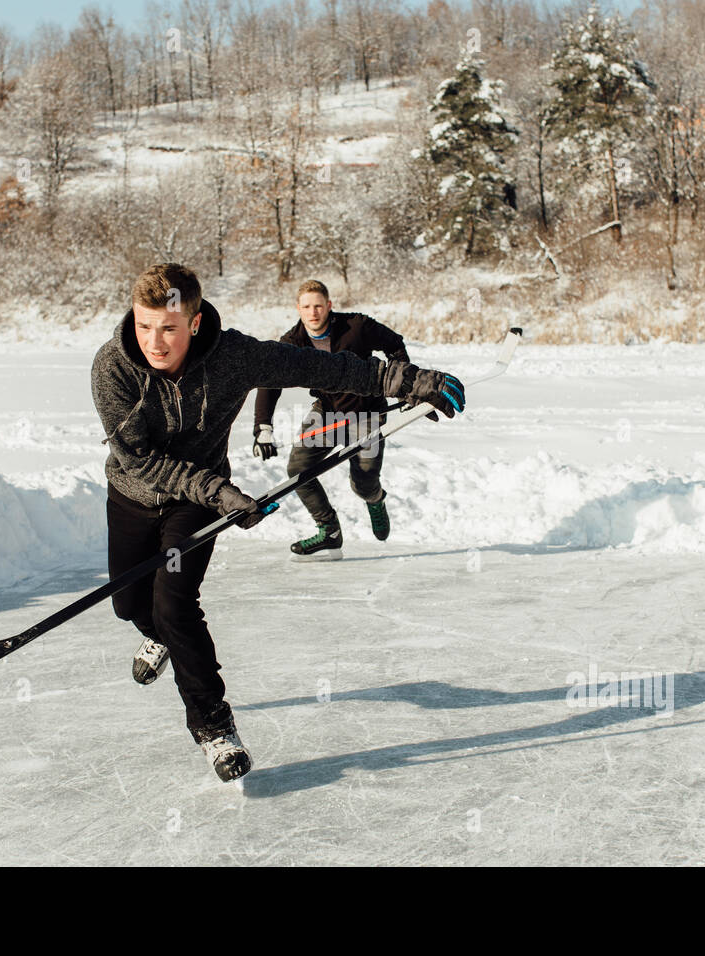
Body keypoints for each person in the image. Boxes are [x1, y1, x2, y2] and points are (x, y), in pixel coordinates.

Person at [90, 264, 466, 782]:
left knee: (175, 602)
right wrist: (221, 493)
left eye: (169, 328)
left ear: (194, 323)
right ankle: (154, 634)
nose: (155, 341)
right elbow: (140, 461)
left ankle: (214, 727)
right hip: (136, 493)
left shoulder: (233, 356)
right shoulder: (113, 367)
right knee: (130, 604)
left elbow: (324, 369)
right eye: (144, 325)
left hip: (195, 500)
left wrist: (410, 380)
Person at [252, 280, 414, 559]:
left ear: (329, 306)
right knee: (298, 471)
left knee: (363, 482)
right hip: (327, 413)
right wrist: (262, 427)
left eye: (318, 306)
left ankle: (375, 500)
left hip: (369, 415)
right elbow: (269, 381)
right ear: (298, 309)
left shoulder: (357, 326)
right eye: (306, 307)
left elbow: (394, 343)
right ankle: (329, 531)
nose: (312, 312)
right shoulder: (292, 342)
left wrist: (405, 384)